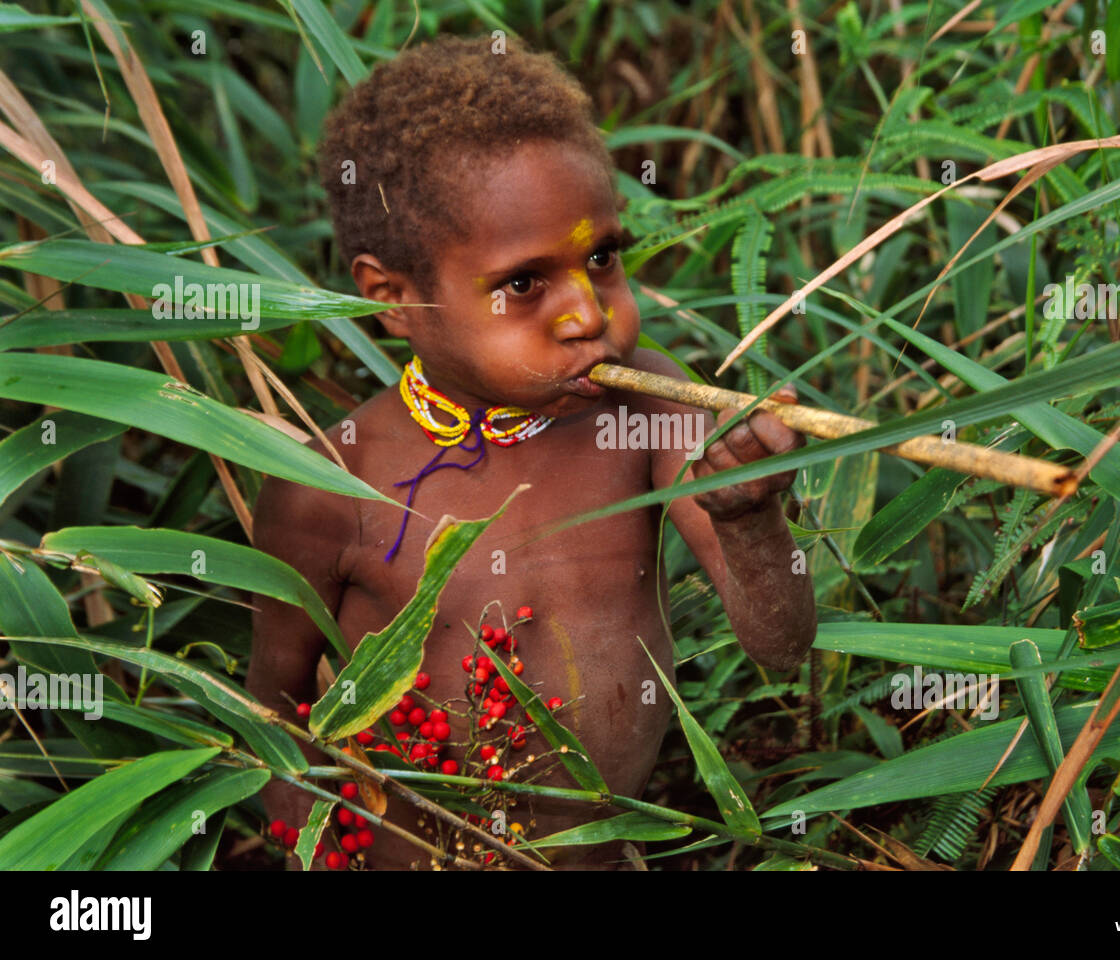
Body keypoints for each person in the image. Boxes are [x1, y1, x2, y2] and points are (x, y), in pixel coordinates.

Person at [248, 35, 815, 869]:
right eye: (524, 283)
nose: (588, 313)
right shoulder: (329, 484)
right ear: (394, 299)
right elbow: (275, 712)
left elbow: (784, 646)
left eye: (602, 258)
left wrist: (752, 516)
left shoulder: (650, 408)